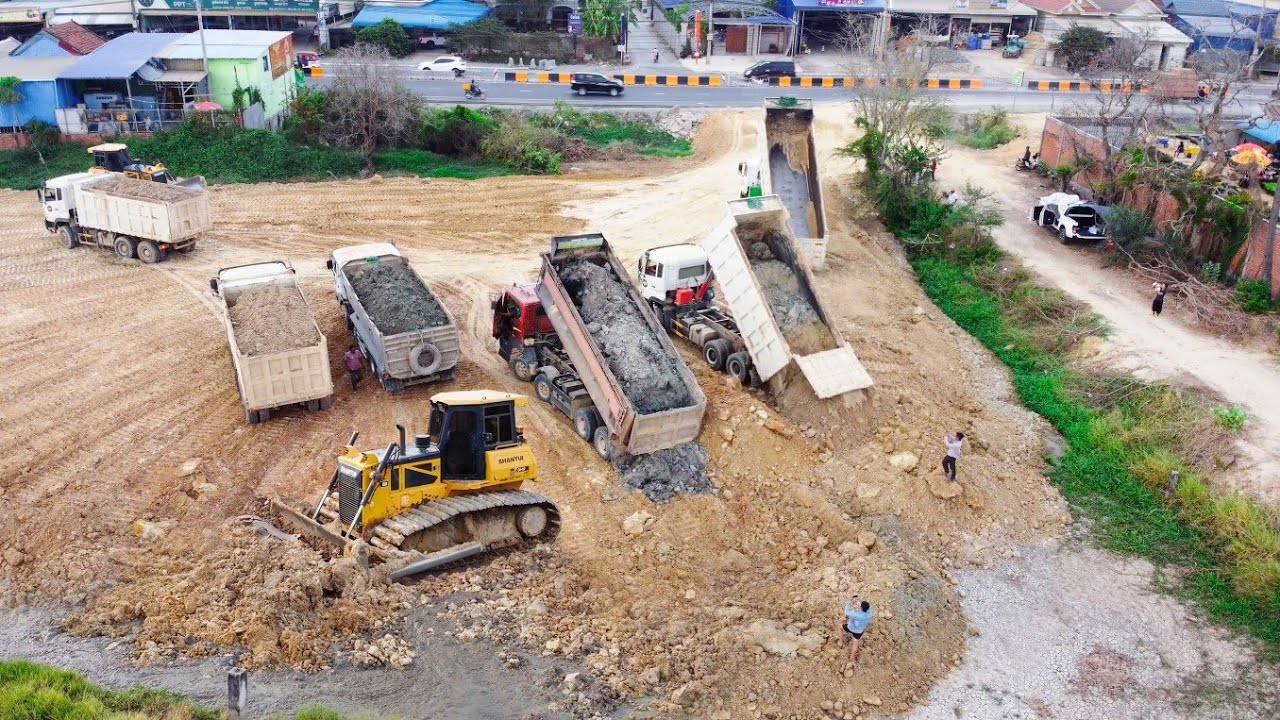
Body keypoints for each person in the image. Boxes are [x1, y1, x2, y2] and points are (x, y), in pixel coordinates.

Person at [836, 596, 873, 664]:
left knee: (839, 626)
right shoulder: (870, 614)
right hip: (859, 631)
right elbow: (868, 607)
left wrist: (850, 602)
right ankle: (852, 657)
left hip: (851, 628)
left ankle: (840, 642)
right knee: (855, 643)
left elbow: (847, 612)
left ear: (861, 607)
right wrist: (860, 599)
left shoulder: (856, 615)